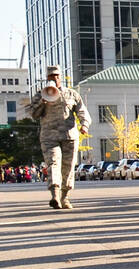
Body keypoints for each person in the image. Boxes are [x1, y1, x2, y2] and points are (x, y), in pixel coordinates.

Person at [27, 65, 91, 209]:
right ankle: (55, 195)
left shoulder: (71, 94)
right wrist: (43, 101)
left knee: (68, 168)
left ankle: (65, 197)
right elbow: (33, 115)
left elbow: (82, 111)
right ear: (47, 79)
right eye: (50, 77)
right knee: (53, 163)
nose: (53, 79)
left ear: (60, 77)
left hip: (69, 136)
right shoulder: (40, 95)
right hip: (49, 137)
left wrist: (84, 125)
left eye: (56, 76)